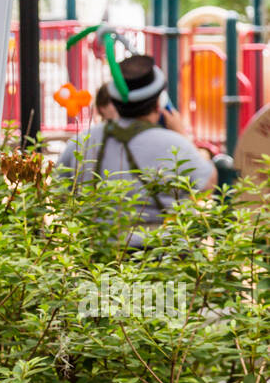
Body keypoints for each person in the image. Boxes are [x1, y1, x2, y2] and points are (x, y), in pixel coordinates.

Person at [57, 54, 217, 244]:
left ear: (115, 101)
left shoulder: (81, 142)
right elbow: (208, 184)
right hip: (162, 252)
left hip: (97, 251)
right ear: (157, 104)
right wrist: (183, 134)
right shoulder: (175, 144)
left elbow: (59, 193)